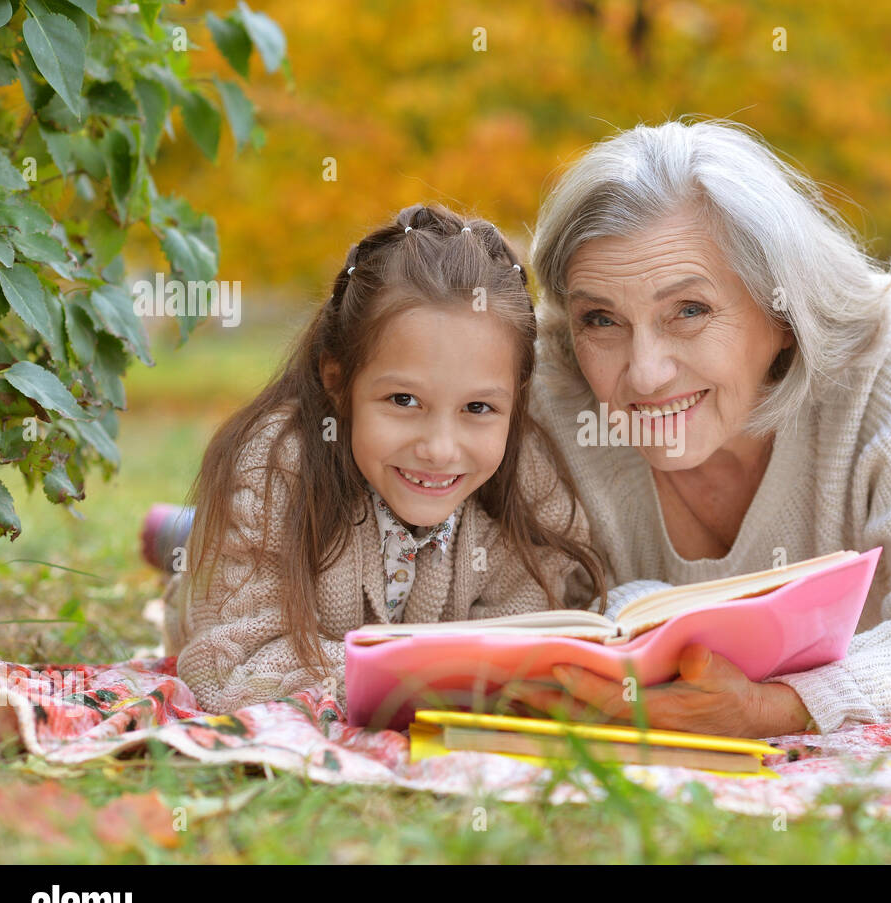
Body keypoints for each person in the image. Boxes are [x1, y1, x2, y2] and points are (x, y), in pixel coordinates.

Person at [503, 118, 891, 738]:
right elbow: (511, 617)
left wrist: (776, 706)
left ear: (783, 310)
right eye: (601, 319)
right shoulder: (544, 388)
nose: (646, 374)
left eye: (689, 310)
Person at [158, 203, 606, 714]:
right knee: (203, 553)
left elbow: (528, 632)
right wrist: (424, 677)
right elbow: (227, 671)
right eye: (403, 401)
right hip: (241, 571)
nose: (439, 449)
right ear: (338, 382)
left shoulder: (525, 479)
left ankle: (173, 528)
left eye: (478, 407)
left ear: (515, 398)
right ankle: (179, 537)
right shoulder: (275, 468)